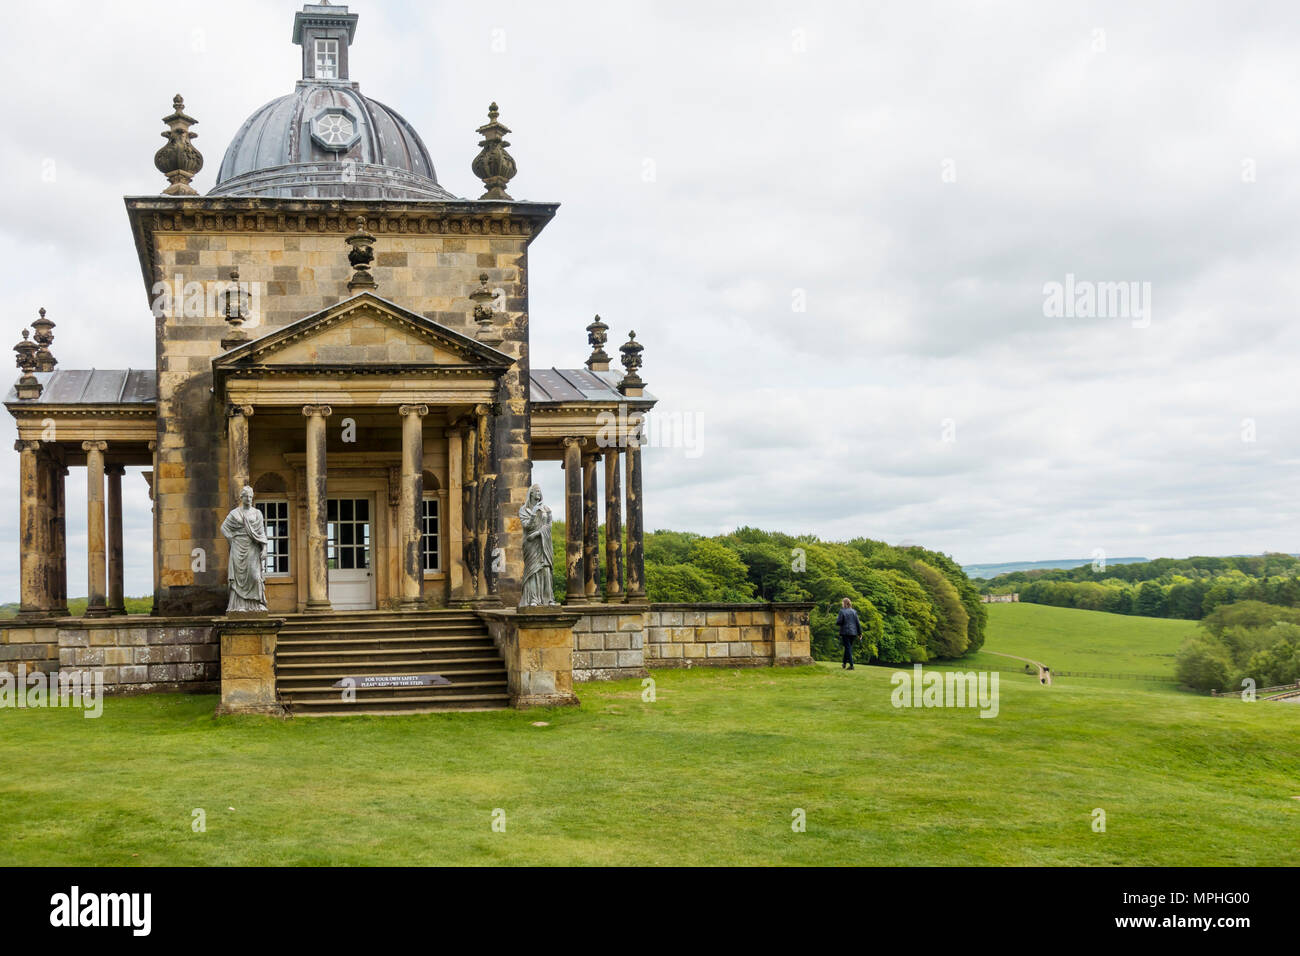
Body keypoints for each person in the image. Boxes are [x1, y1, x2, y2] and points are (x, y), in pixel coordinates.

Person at [221, 484, 268, 613]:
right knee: (239, 577)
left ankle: (256, 604)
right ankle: (238, 605)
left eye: (251, 496)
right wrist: (231, 539)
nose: (249, 498)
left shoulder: (257, 513)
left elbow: (261, 532)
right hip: (238, 547)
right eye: (246, 496)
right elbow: (224, 528)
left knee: (254, 576)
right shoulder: (235, 513)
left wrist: (264, 549)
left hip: (252, 547)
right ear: (241, 497)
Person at [518, 484, 557, 607]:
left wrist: (537, 533)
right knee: (533, 570)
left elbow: (549, 526)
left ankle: (548, 598)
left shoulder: (546, 509)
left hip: (543, 542)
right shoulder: (523, 510)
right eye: (536, 491)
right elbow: (526, 526)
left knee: (545, 569)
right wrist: (534, 513)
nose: (539, 493)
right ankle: (533, 599)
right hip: (530, 544)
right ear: (531, 493)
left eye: (540, 491)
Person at [836, 597, 861, 669]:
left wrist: (839, 621)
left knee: (848, 648)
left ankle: (851, 665)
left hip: (845, 632)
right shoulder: (854, 611)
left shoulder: (842, 611)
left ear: (844, 603)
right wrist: (860, 633)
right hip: (853, 632)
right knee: (848, 648)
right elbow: (857, 623)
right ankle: (844, 663)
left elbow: (839, 622)